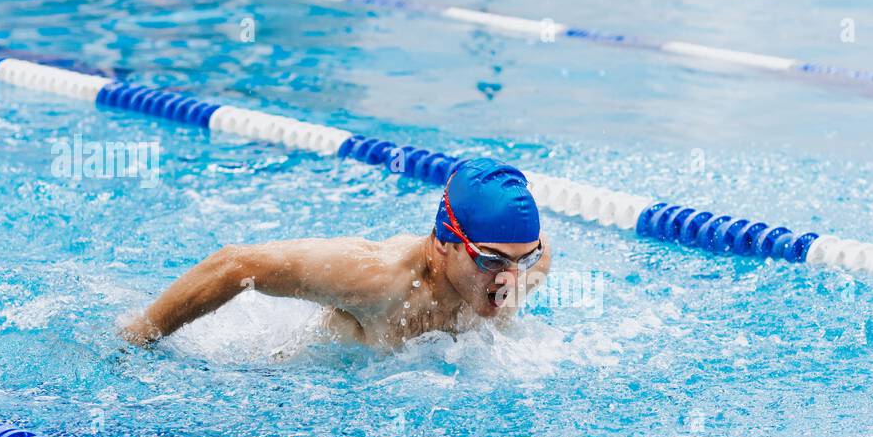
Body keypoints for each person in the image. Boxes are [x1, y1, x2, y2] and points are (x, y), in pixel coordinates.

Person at [119, 158, 551, 349]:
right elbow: (236, 264)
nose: (509, 280)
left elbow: (526, 253)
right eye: (491, 260)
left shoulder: (526, 265)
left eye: (524, 259)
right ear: (443, 241)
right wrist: (137, 339)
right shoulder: (377, 279)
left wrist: (515, 258)